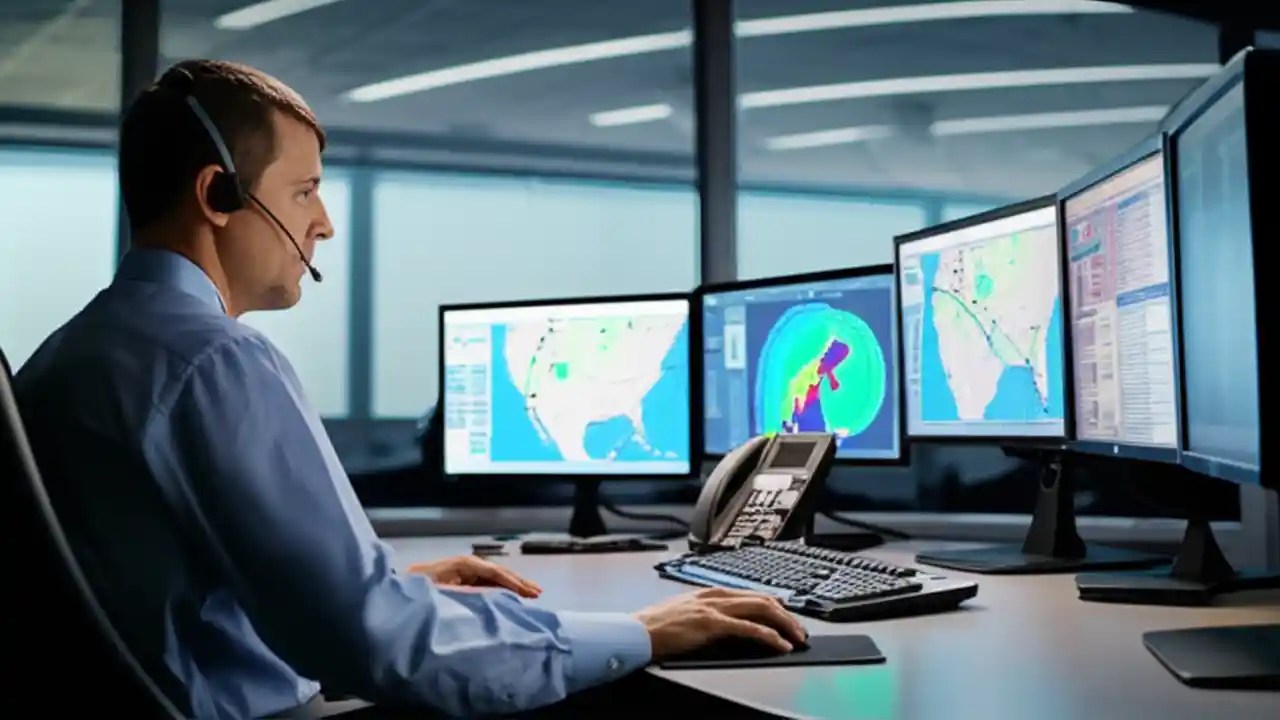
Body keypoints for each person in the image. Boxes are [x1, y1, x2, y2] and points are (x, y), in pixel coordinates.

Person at [12, 59, 805, 720]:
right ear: (219, 196)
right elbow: (384, 647)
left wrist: (386, 585)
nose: (322, 223)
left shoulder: (70, 354)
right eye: (303, 191)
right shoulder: (215, 363)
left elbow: (173, 594)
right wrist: (641, 631)